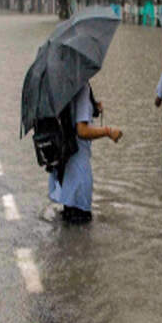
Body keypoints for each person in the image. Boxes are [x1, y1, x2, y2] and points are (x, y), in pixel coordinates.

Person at [49, 84, 122, 224]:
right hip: (79, 171)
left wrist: (92, 106)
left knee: (69, 233)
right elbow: (82, 131)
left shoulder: (60, 86)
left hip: (65, 169)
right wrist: (108, 131)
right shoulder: (81, 87)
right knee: (82, 229)